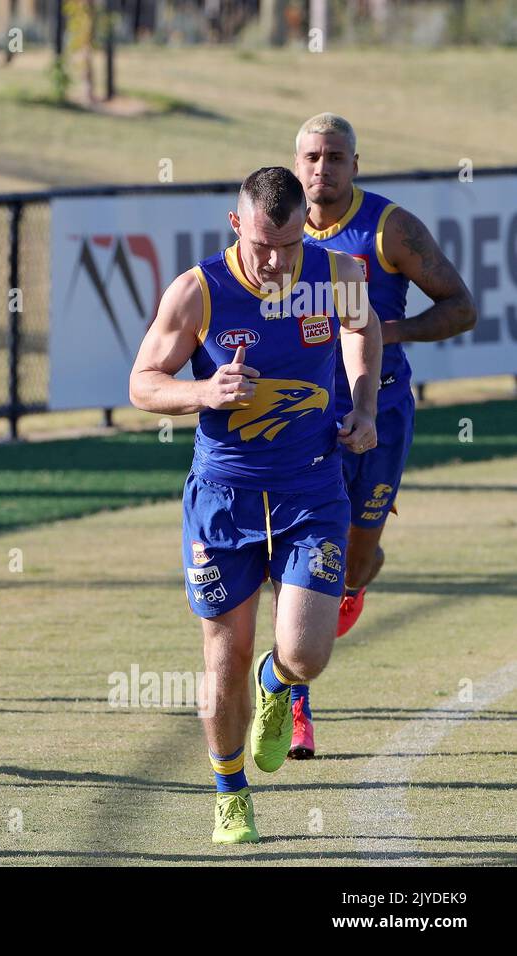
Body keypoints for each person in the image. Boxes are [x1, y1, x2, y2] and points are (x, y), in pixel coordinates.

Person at [128, 167, 381, 844]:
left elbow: (363, 329)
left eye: (290, 246)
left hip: (311, 487)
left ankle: (280, 682)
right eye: (264, 245)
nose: (276, 261)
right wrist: (203, 394)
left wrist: (363, 403)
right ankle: (230, 791)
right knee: (225, 652)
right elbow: (143, 383)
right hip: (223, 498)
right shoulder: (197, 291)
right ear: (237, 226)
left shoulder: (338, 274)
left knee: (307, 652)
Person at [287, 113, 476, 758]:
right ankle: (294, 699)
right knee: (307, 556)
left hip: (382, 415)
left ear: (355, 165)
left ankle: (355, 581)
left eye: (335, 157)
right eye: (311, 156)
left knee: (356, 560)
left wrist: (387, 332)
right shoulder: (276, 230)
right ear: (295, 163)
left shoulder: (390, 228)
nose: (322, 169)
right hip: (303, 420)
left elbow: (461, 306)